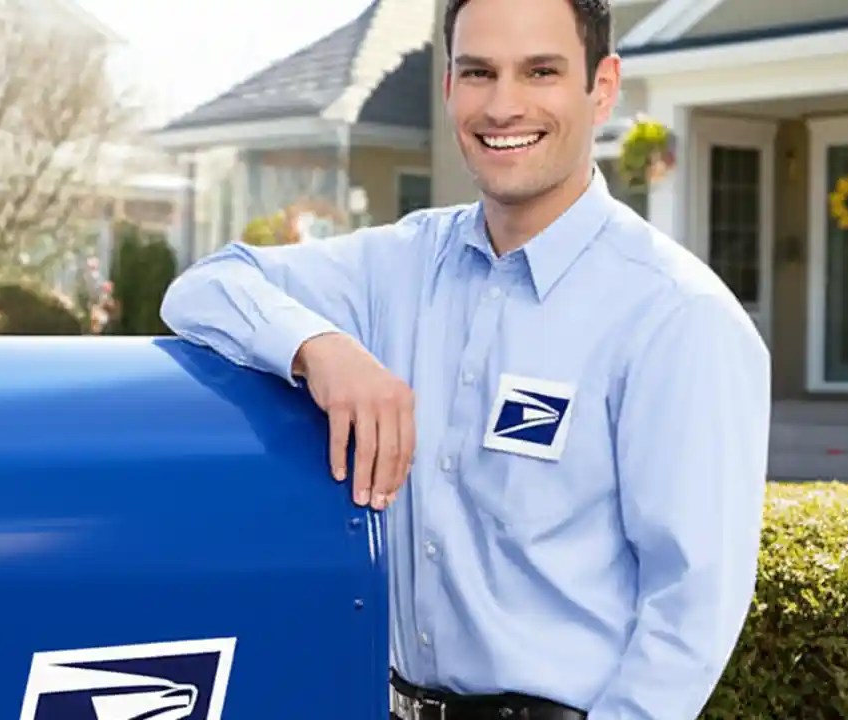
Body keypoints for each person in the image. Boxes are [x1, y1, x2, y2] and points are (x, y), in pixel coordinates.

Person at [159, 0, 771, 717]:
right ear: (449, 87)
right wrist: (317, 348)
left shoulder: (677, 317)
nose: (504, 106)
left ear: (602, 87)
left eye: (540, 71)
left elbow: (688, 616)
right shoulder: (397, 268)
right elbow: (205, 285)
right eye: (478, 72)